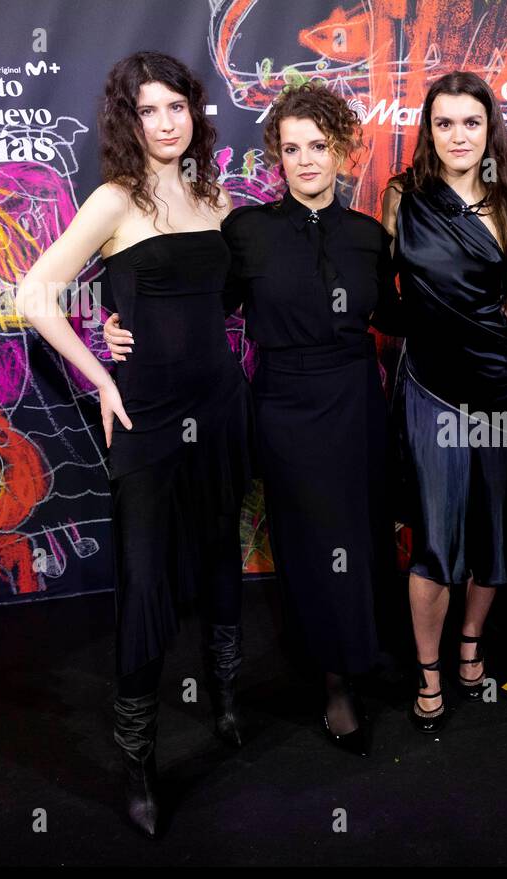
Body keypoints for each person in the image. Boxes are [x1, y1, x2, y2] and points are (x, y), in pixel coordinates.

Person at [108, 81, 401, 756]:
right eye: (291, 148)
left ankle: (359, 659)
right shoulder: (247, 231)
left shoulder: (367, 235)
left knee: (359, 539)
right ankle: (332, 685)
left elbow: (391, 315)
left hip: (357, 402)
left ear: (342, 153)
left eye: (319, 147)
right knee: (309, 547)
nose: (305, 161)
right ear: (276, 156)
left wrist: (467, 312)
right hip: (285, 409)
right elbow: (196, 297)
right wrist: (120, 322)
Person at [18, 51, 250, 838]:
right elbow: (33, 294)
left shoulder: (218, 199)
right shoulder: (114, 200)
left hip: (220, 406)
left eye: (175, 107)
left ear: (194, 112)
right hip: (146, 413)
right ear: (129, 120)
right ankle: (140, 758)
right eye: (147, 111)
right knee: (146, 579)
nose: (164, 123)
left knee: (221, 551)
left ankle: (224, 701)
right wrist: (102, 378)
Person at [381, 71, 507, 734]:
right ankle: (429, 669)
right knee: (435, 539)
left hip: (496, 388)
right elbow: (374, 288)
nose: (458, 135)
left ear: (488, 128)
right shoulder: (402, 196)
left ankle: (473, 643)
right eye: (444, 123)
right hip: (429, 386)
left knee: (492, 533)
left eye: (471, 122)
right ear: (429, 129)